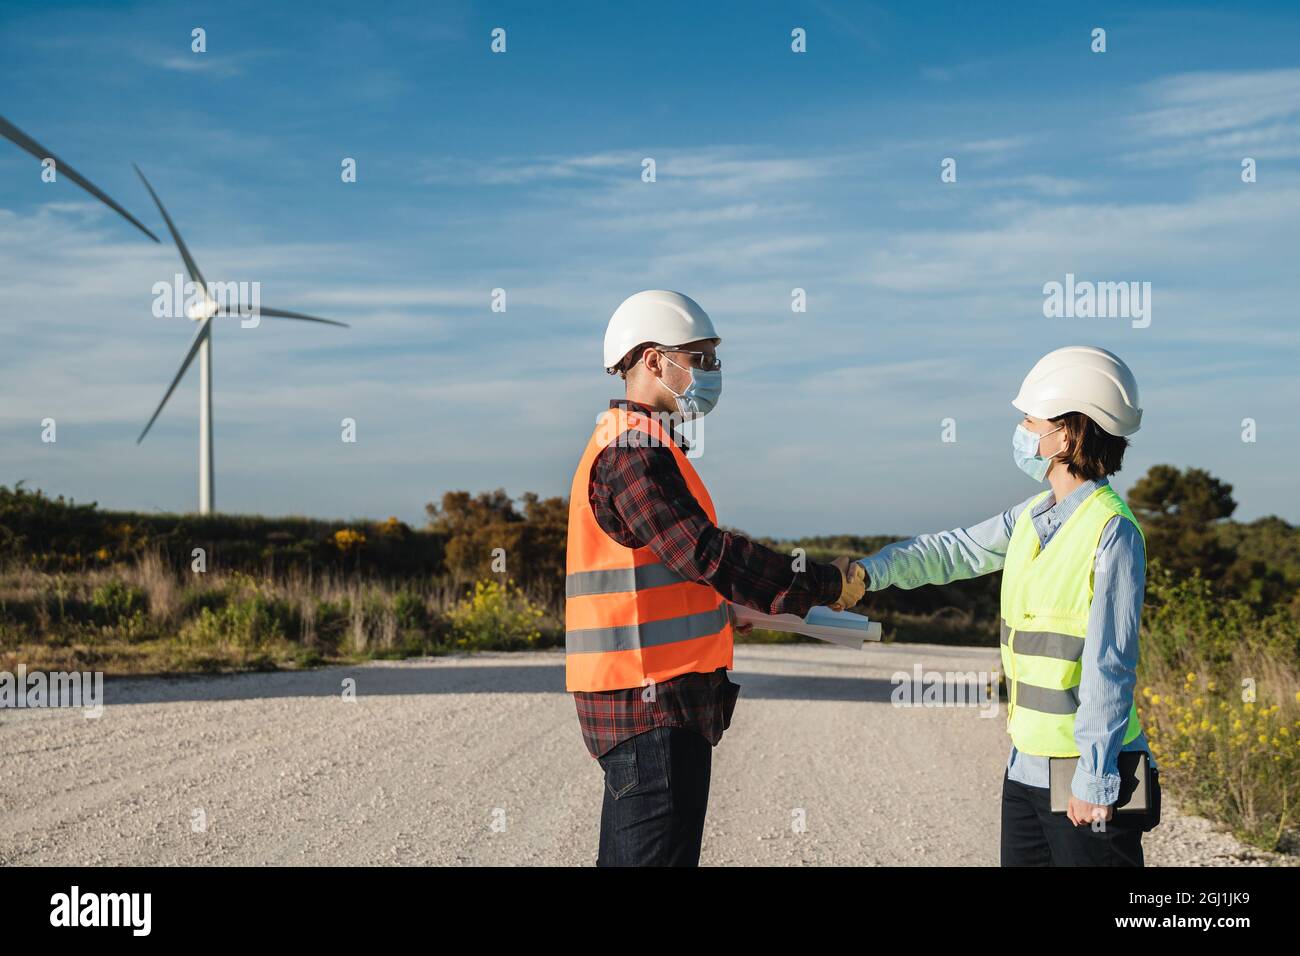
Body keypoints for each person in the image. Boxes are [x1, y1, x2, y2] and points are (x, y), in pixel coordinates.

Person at [565, 289, 866, 866]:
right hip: (652, 706)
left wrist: (729, 610)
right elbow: (707, 554)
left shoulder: (641, 444)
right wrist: (822, 583)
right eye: (699, 358)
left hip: (649, 700)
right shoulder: (633, 454)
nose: (711, 372)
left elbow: (668, 571)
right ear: (653, 360)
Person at [857, 345, 1161, 865]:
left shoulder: (1112, 530)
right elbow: (952, 550)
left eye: (1029, 419)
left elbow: (1110, 666)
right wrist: (866, 574)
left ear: (1066, 432)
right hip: (1026, 765)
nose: (1021, 430)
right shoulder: (1033, 515)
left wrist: (1093, 777)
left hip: (1083, 774)